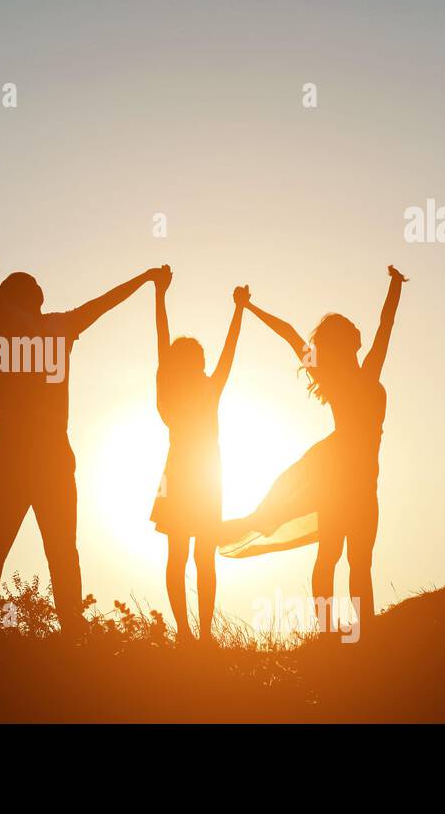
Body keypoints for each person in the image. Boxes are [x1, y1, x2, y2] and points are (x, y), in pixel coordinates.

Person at [0, 197, 163, 641]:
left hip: (17, 454)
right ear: (37, 299)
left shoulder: (3, 319)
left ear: (12, 297)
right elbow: (105, 301)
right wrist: (148, 278)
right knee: (60, 552)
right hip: (50, 456)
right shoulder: (58, 326)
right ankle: (73, 637)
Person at [217, 266, 408, 637]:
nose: (358, 338)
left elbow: (386, 325)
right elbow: (292, 333)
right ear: (348, 343)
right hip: (342, 478)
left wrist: (395, 286)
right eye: (352, 335)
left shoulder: (354, 374)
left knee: (355, 559)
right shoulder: (353, 375)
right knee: (338, 556)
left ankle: (359, 633)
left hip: (361, 480)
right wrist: (250, 308)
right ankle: (331, 633)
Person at [149, 266, 248, 645]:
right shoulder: (192, 386)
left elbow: (165, 340)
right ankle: (195, 635)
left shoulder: (177, 385)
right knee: (198, 557)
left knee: (186, 555)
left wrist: (160, 294)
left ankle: (193, 635)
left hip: (195, 476)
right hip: (199, 476)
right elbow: (228, 351)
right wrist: (239, 309)